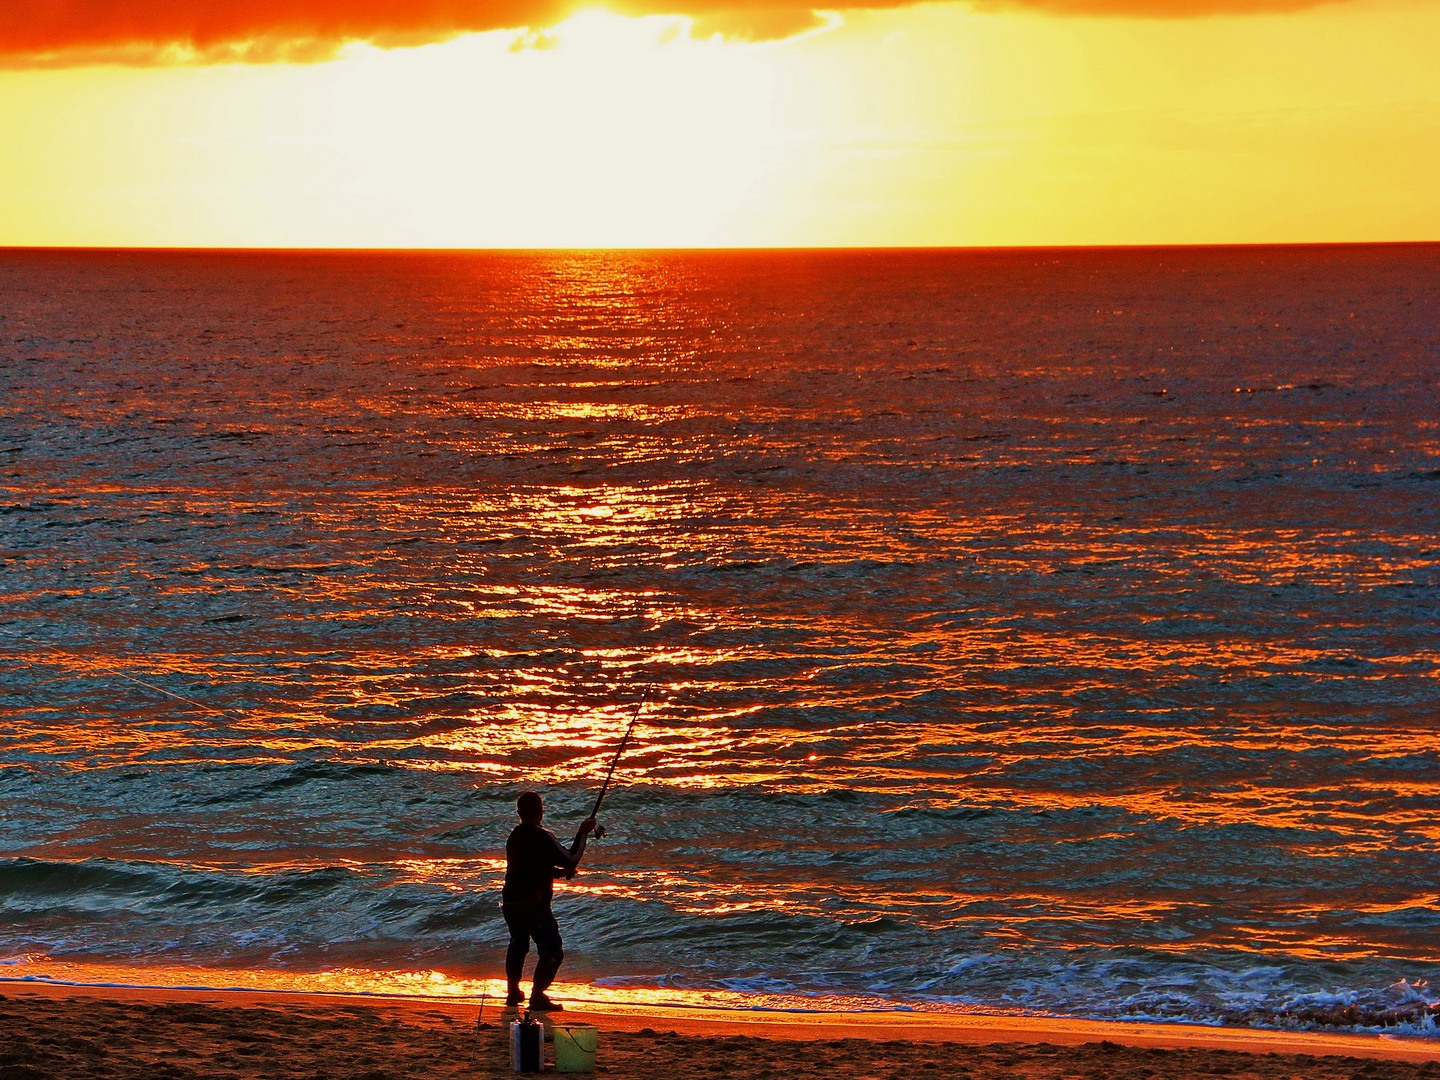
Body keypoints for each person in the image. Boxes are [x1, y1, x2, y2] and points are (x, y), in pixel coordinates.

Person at [501, 790, 596, 1011]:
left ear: (519, 812)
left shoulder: (514, 836)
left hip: (510, 901)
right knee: (552, 950)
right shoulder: (542, 835)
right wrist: (582, 833)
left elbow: (528, 868)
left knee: (518, 944)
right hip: (533, 902)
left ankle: (513, 993)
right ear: (541, 811)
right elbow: (571, 859)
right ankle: (537, 996)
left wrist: (558, 874)